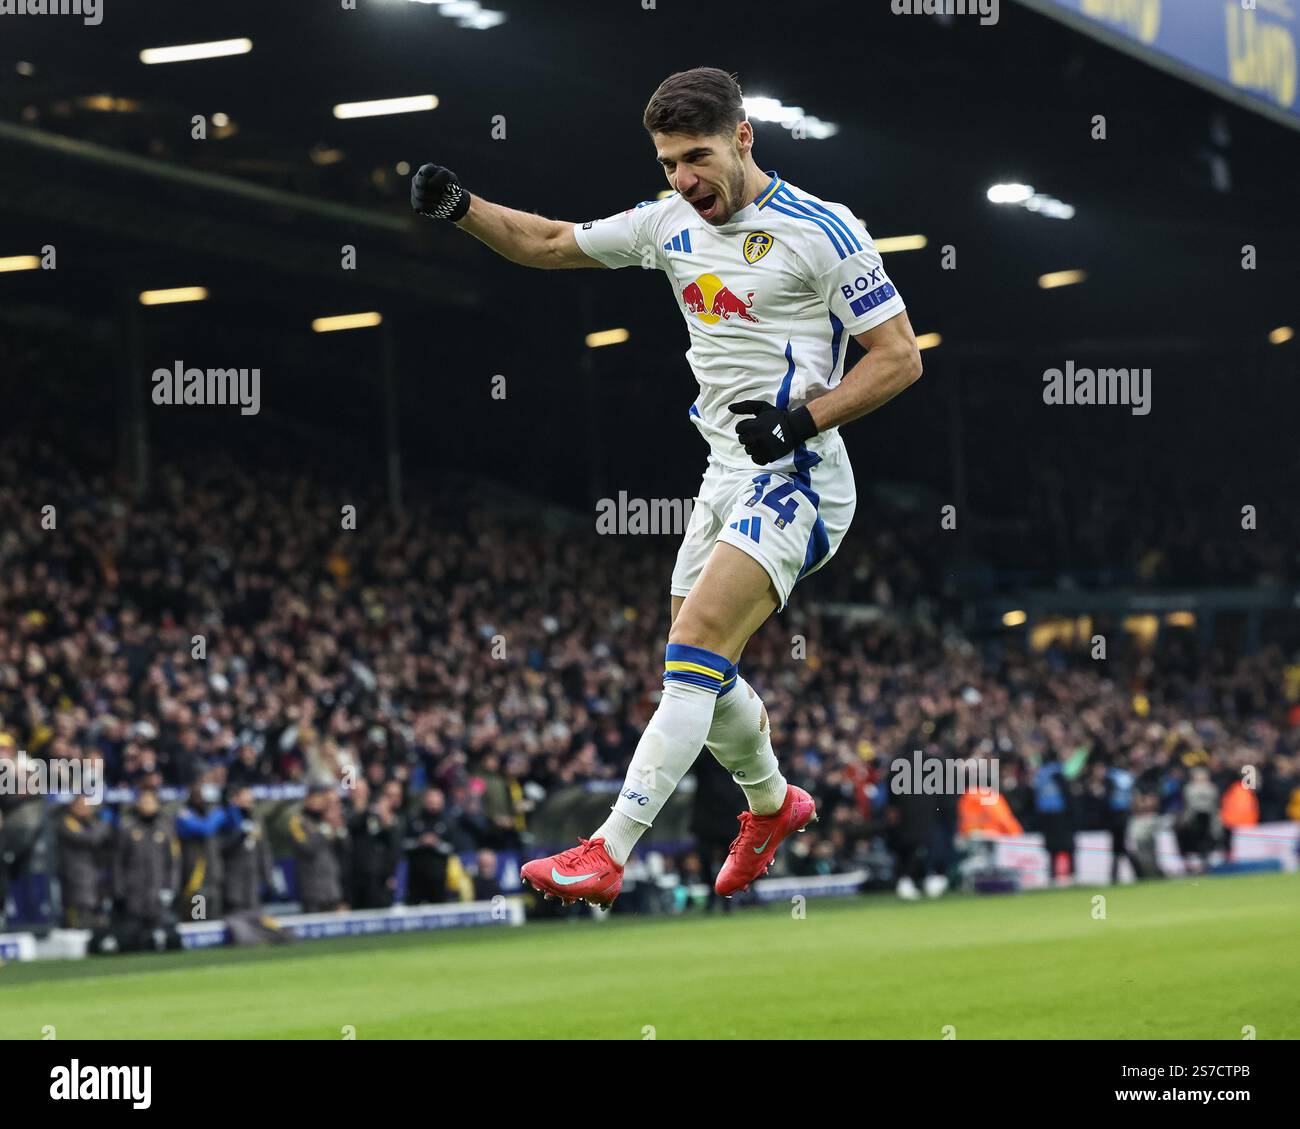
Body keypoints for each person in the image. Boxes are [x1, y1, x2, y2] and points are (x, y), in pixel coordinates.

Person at [412, 67, 922, 908]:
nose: (684, 180)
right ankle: (772, 803)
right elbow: (546, 243)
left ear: (743, 138)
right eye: (668, 164)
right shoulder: (667, 224)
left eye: (697, 157)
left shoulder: (821, 231)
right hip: (724, 473)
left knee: (691, 653)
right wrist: (463, 208)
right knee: (699, 667)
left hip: (799, 474)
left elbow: (900, 357)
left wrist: (800, 421)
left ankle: (608, 850)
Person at [56, 795, 111, 927]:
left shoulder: (91, 823)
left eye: (86, 805)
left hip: (95, 876)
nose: (83, 808)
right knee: (78, 918)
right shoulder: (66, 822)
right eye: (80, 805)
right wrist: (101, 828)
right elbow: (90, 839)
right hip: (74, 876)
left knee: (95, 915)